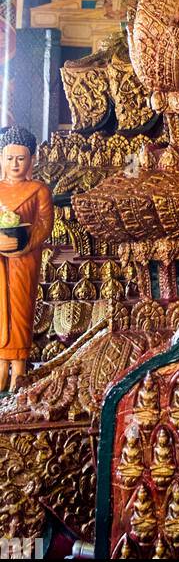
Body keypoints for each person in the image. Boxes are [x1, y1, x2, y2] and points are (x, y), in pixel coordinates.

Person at [0, 127, 53, 392]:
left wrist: (23, 242)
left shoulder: (38, 190)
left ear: (31, 160)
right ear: (1, 159)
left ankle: (18, 369)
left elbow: (44, 225)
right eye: (10, 158)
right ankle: (0, 368)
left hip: (24, 261)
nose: (15, 164)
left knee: (20, 311)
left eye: (21, 158)